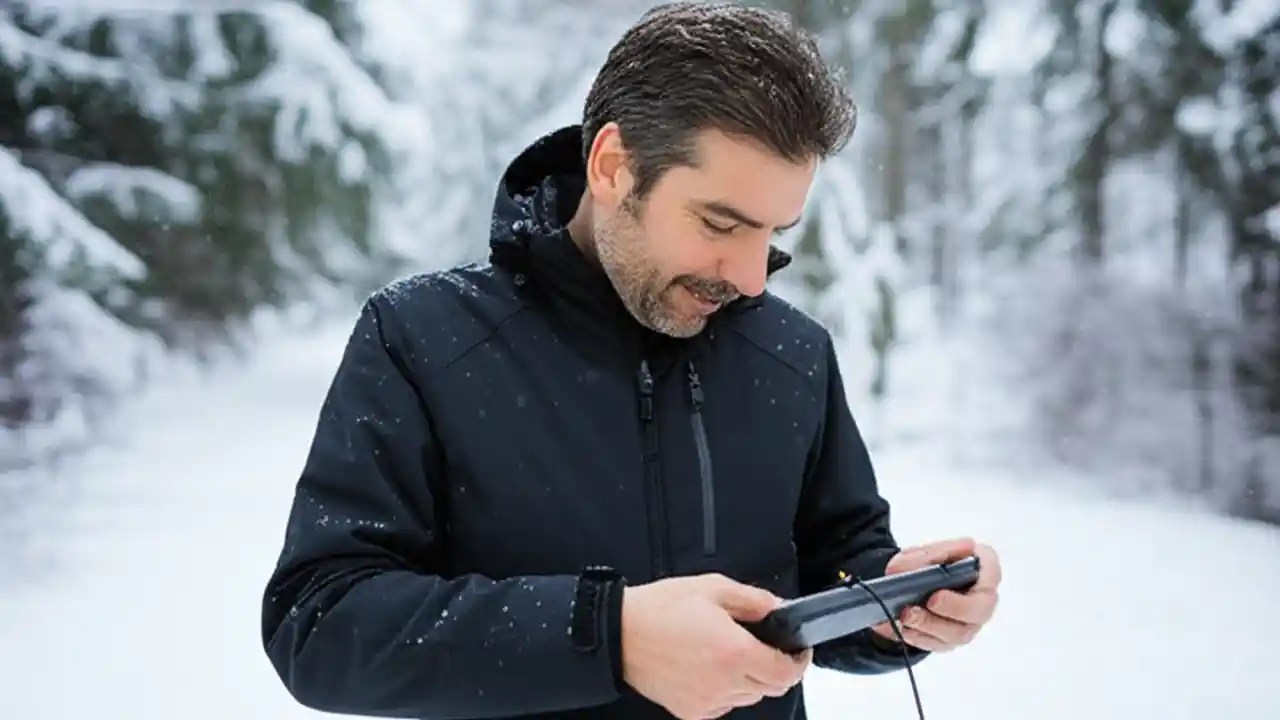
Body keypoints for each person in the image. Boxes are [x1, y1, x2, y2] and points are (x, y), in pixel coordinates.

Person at [260, 3, 1002, 719]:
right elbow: (321, 624)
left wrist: (887, 601)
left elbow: (836, 558)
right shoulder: (423, 338)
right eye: (720, 222)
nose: (750, 276)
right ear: (614, 166)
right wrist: (608, 636)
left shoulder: (793, 352)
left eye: (774, 230)